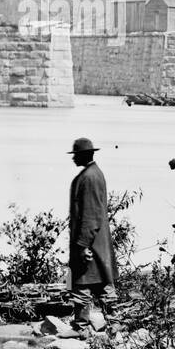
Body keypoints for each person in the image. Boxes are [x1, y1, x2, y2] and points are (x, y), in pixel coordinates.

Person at [67, 137, 118, 328]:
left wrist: (83, 245)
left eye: (75, 155)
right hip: (96, 241)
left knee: (83, 281)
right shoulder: (94, 174)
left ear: (82, 155)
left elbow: (90, 215)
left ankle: (81, 326)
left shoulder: (89, 177)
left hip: (90, 242)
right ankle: (114, 323)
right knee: (101, 282)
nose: (73, 159)